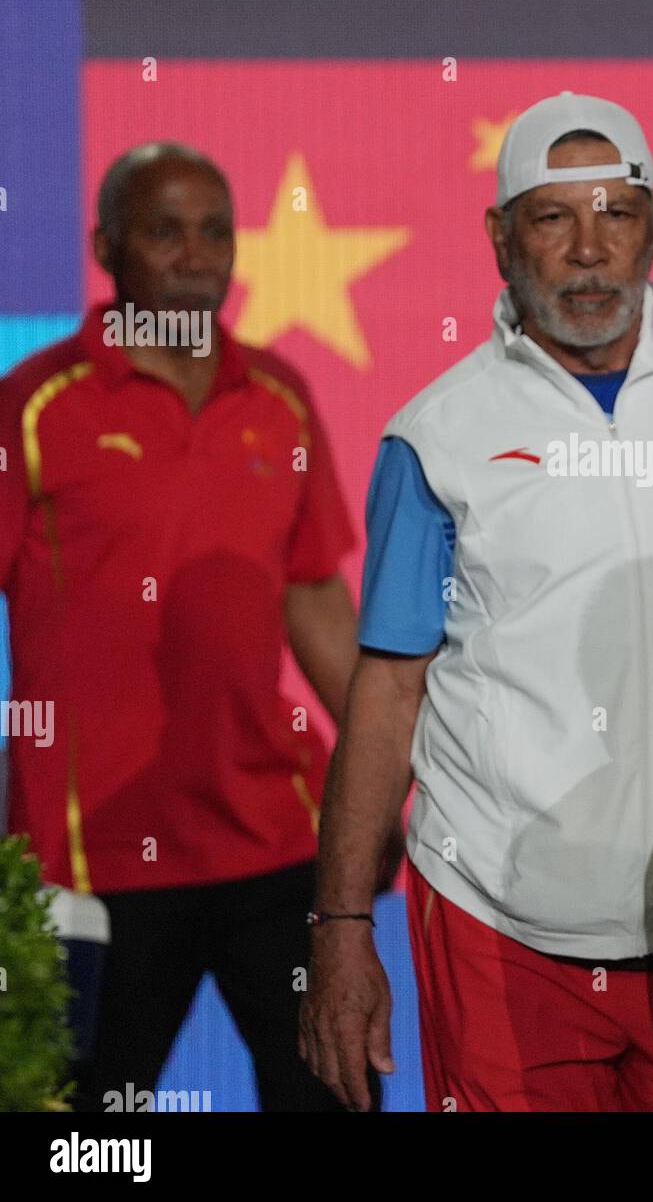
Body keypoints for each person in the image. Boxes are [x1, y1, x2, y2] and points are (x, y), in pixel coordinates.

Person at [301, 91, 653, 1112]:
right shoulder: (436, 436)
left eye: (615, 213)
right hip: (497, 919)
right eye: (551, 216)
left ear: (651, 226)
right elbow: (389, 693)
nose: (586, 249)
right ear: (498, 237)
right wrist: (342, 928)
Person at [0, 142, 359, 1111]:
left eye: (213, 231)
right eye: (164, 230)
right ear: (106, 245)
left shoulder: (277, 398)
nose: (195, 253)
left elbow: (315, 601)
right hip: (91, 863)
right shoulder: (34, 408)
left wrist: (387, 779)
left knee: (332, 1095)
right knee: (83, 1134)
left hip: (278, 847)